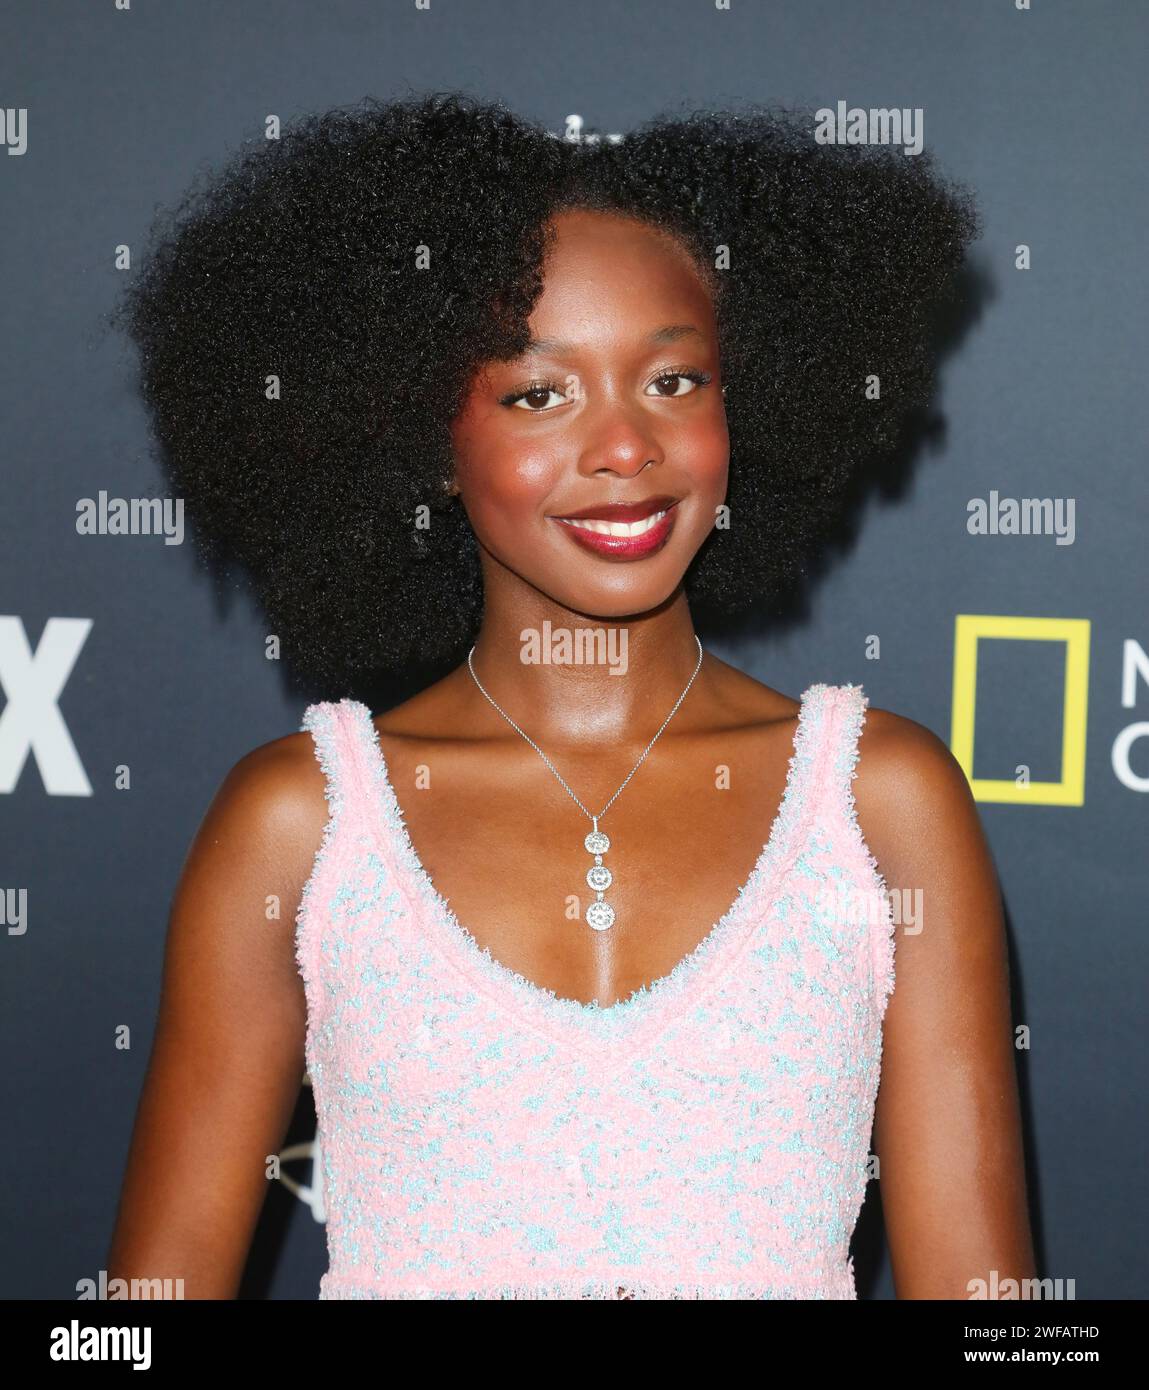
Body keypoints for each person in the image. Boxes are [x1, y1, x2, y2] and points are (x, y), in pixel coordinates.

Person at [106, 91, 1036, 1299]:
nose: (624, 448)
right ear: (422, 438)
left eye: (675, 379)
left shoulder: (883, 804)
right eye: (539, 393)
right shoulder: (299, 826)